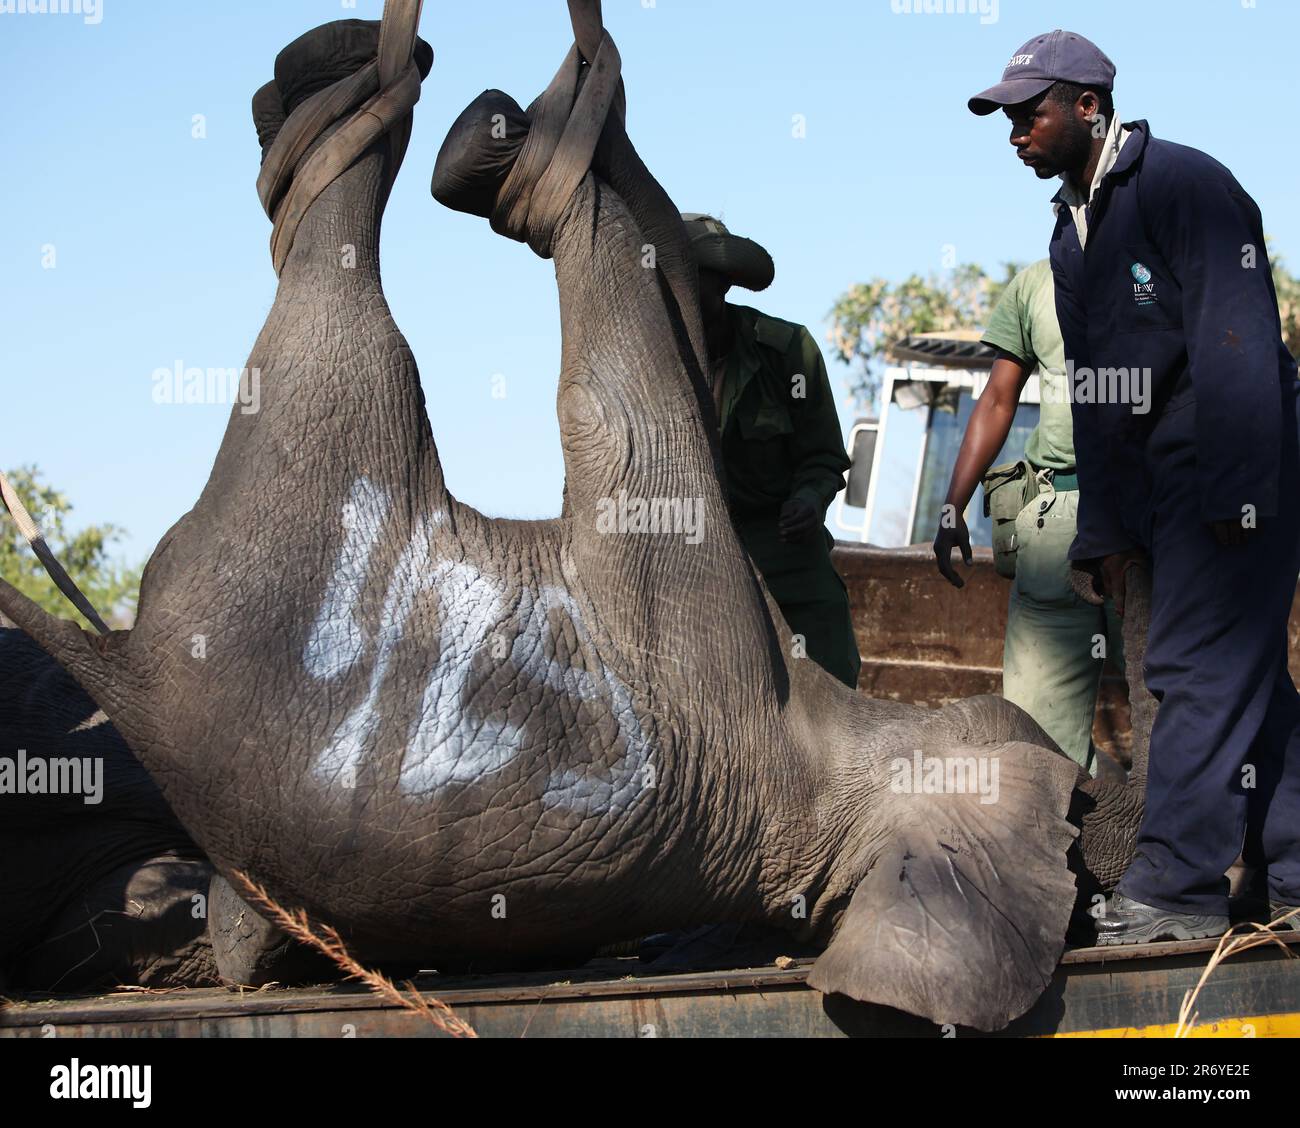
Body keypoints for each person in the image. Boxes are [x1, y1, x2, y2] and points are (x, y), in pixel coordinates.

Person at [969, 30, 1300, 944]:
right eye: (1006, 120)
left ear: (1088, 106)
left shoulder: (1186, 185)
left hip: (1235, 465)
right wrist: (1104, 533)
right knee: (1247, 681)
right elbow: (1096, 394)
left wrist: (1241, 490)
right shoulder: (1071, 236)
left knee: (1192, 670)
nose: (1014, 134)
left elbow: (1236, 338)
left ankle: (1177, 893)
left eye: (1027, 113)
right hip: (1156, 483)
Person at [933, 259, 1121, 775]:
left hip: (1149, 514)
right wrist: (953, 506)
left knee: (1176, 702)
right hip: (1054, 517)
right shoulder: (1038, 282)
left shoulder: (1163, 266)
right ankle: (1081, 842)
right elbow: (997, 398)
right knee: (1039, 736)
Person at [682, 213, 860, 689]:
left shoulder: (785, 351)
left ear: (722, 284)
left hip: (780, 548)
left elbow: (823, 455)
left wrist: (807, 499)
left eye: (694, 277)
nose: (680, 292)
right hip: (684, 555)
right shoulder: (648, 357)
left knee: (828, 679)